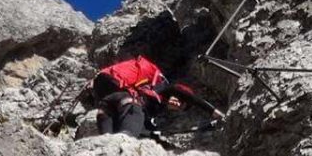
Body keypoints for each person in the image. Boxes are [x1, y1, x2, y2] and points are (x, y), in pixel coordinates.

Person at [89, 56, 217, 139]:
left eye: (181, 107)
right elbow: (187, 95)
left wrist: (155, 134)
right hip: (120, 91)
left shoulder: (154, 99)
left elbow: (144, 126)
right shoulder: (162, 88)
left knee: (111, 138)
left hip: (106, 95)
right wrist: (214, 112)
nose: (177, 105)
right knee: (127, 135)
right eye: (181, 101)